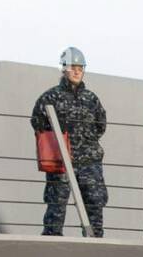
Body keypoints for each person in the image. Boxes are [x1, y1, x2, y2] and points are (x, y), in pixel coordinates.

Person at [30, 47, 107, 237]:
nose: (77, 71)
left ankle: (95, 242)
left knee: (94, 203)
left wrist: (86, 145)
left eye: (80, 67)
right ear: (64, 68)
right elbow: (37, 122)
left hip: (89, 162)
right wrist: (56, 145)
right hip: (61, 162)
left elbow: (101, 125)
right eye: (73, 67)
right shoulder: (51, 97)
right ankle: (52, 240)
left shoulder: (91, 99)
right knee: (57, 203)